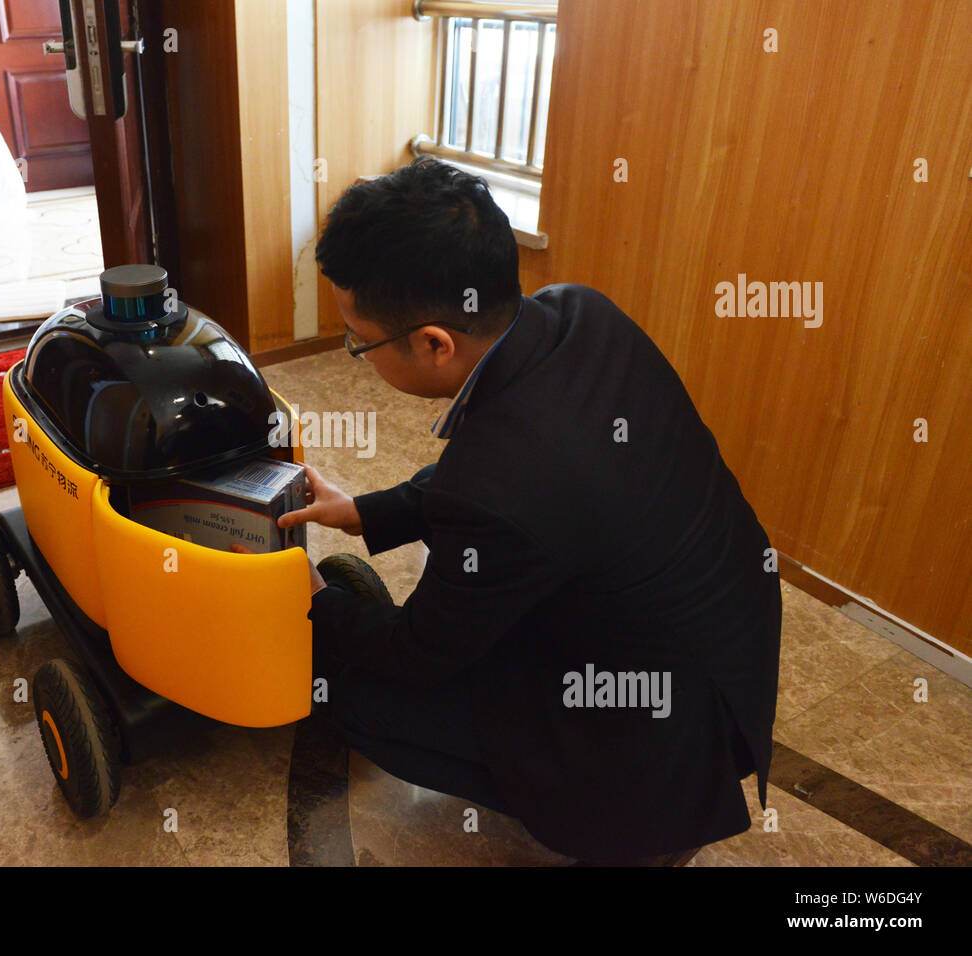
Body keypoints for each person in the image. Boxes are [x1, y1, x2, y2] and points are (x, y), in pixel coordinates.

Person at [278, 157, 782, 865]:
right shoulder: (580, 314)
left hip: (650, 738)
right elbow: (493, 475)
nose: (359, 355)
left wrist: (311, 600)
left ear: (433, 344)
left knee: (352, 696)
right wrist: (364, 510)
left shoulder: (498, 492)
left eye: (359, 344)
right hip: (731, 649)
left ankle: (635, 832)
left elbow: (415, 655)